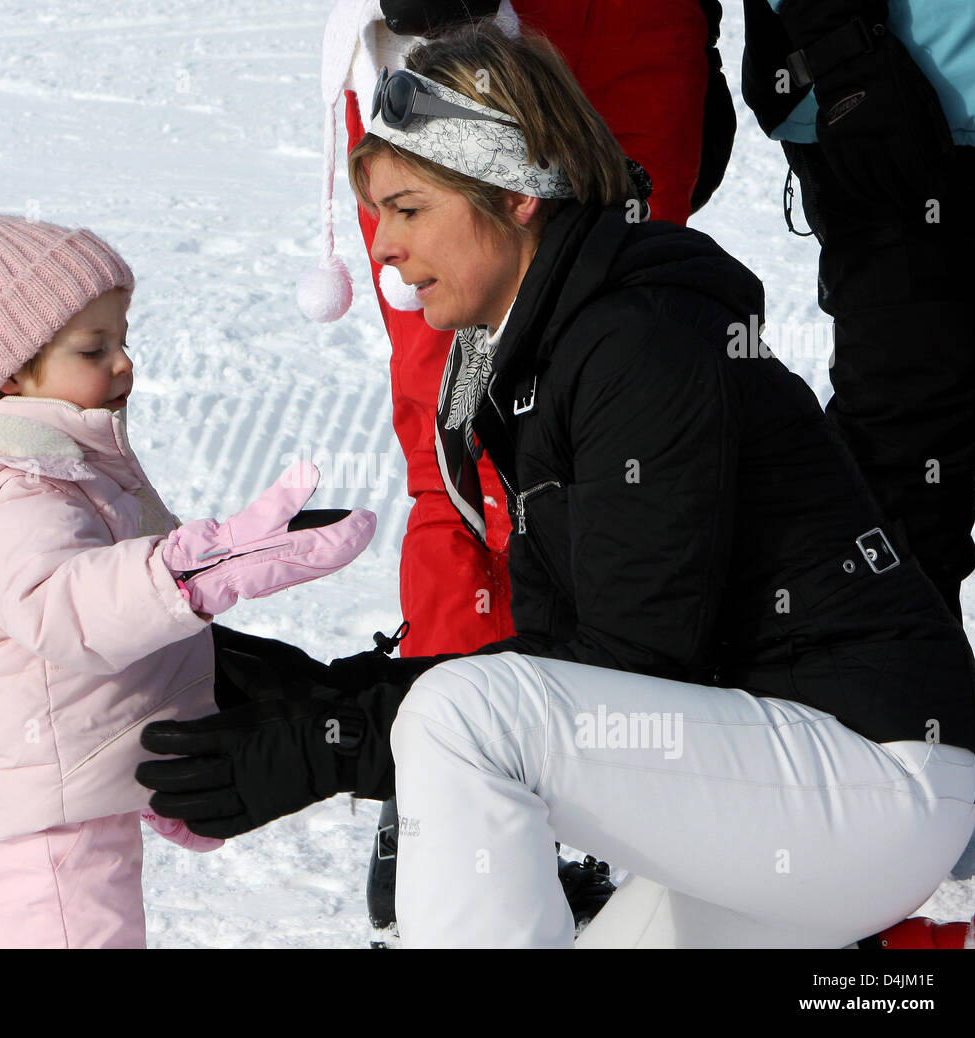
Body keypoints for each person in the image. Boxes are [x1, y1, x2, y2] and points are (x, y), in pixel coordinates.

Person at [138, 24, 975, 948]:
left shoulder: (637, 346)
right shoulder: (540, 357)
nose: (382, 248)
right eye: (377, 215)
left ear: (514, 193)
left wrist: (325, 741)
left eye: (409, 208)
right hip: (779, 787)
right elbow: (561, 668)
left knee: (462, 719)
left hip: (866, 778)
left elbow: (619, 675)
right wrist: (314, 694)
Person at [0, 160, 375, 948]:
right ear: (9, 375)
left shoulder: (48, 465)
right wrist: (199, 568)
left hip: (59, 802)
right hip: (40, 831)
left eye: (123, 339)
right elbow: (73, 609)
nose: (124, 364)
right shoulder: (12, 494)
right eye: (95, 349)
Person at [306, 0, 733, 942]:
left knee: (615, 366)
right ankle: (445, 773)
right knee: (458, 412)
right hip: (456, 29)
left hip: (638, 29)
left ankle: (594, 772)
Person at [741, 0, 975, 621]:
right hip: (897, 105)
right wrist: (842, 51)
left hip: (891, 91)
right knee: (906, 457)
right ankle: (910, 710)